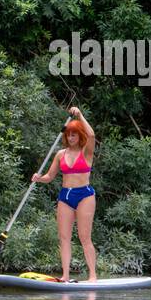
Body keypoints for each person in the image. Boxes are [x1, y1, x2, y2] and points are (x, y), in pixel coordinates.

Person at [31, 106, 97, 283]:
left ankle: (92, 276)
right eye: (68, 135)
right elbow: (50, 176)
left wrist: (80, 115)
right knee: (64, 237)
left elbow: (91, 135)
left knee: (84, 237)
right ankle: (65, 275)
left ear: (79, 135)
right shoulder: (60, 154)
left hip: (85, 195)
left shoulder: (86, 151)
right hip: (65, 197)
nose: (71, 137)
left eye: (74, 134)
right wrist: (38, 178)